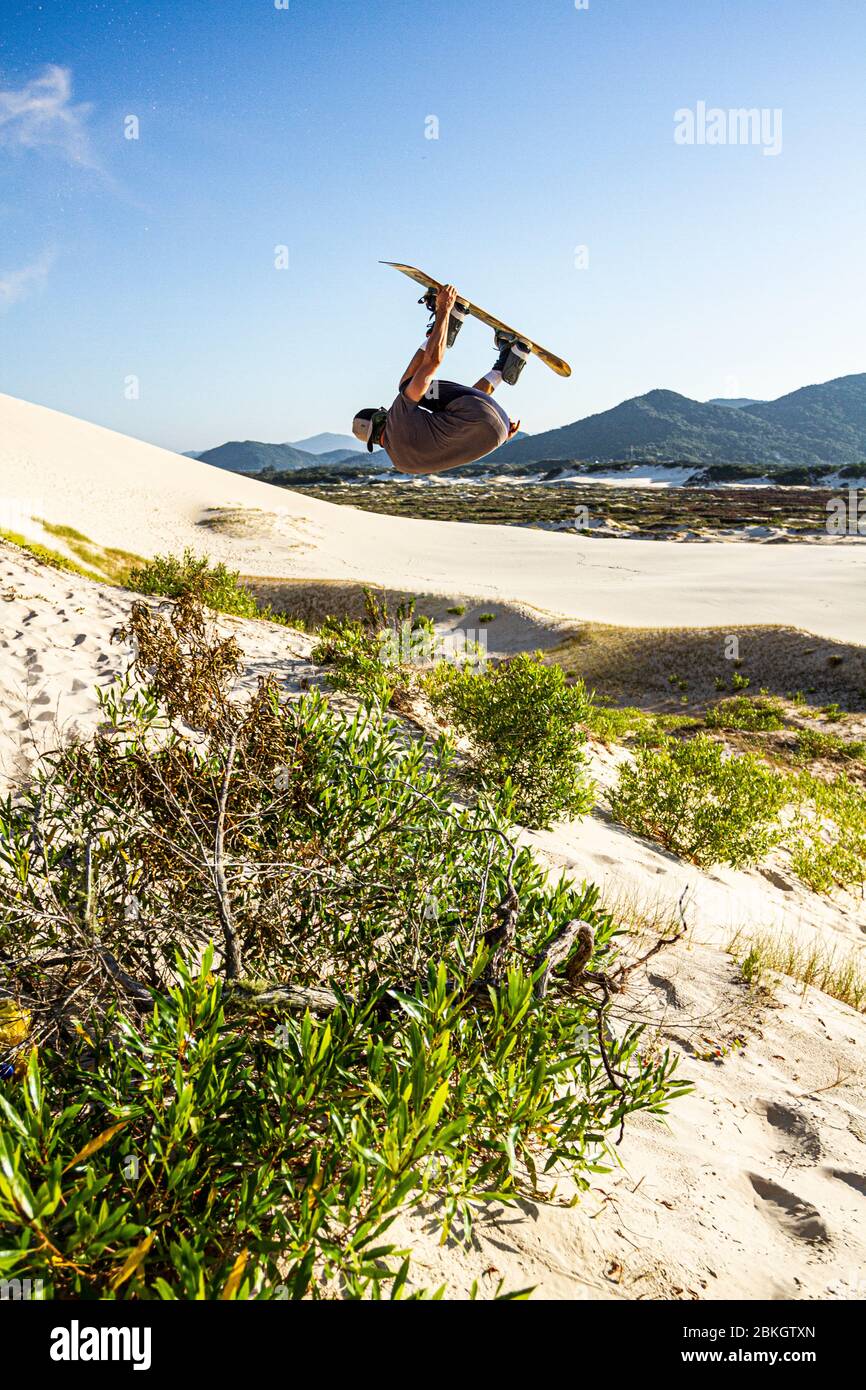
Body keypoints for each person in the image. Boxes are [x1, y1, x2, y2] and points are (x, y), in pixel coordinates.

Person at [352, 284, 527, 475]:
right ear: (380, 417)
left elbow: (467, 420)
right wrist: (444, 307)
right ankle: (446, 323)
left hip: (498, 433)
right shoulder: (397, 417)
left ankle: (508, 363)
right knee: (408, 384)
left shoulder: (403, 465)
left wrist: (500, 429)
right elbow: (432, 362)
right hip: (476, 413)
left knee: (445, 406)